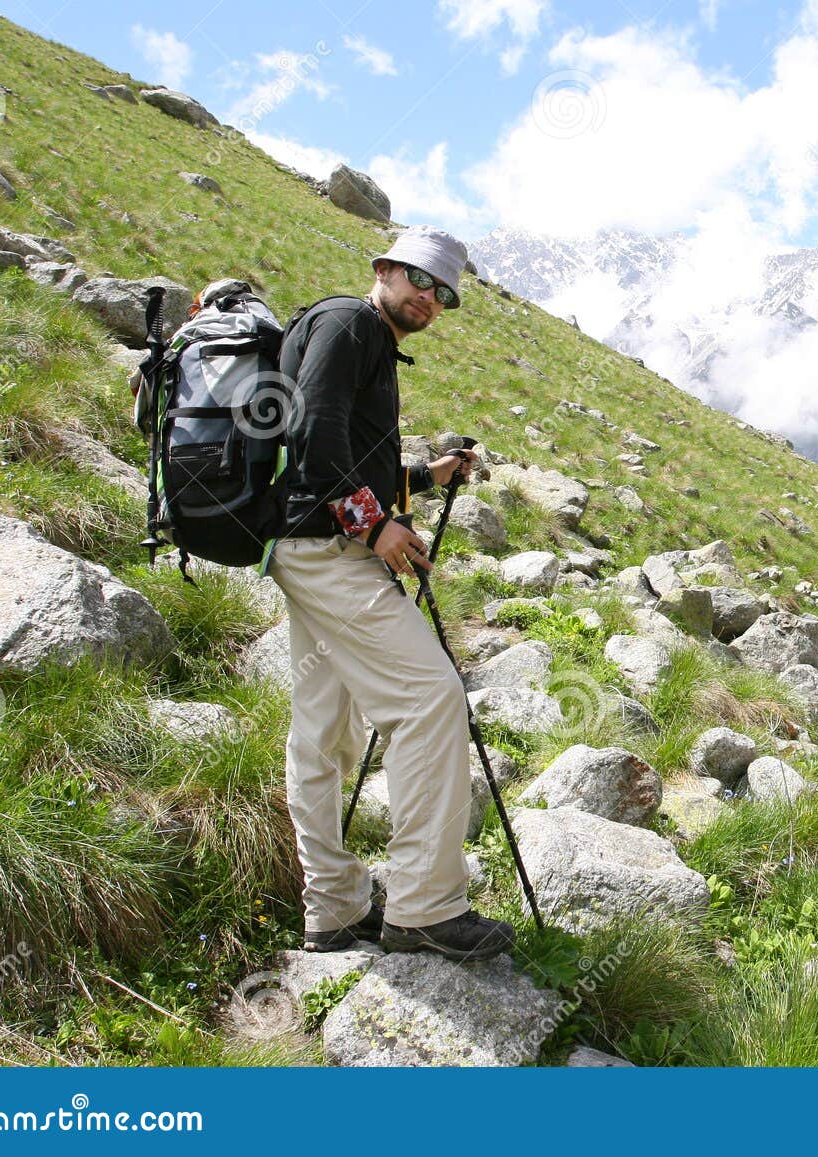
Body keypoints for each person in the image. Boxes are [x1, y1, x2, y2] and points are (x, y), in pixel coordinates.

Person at [269, 224, 514, 961]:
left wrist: (431, 476)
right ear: (384, 268)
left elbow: (346, 457)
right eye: (420, 281)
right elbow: (313, 435)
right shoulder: (350, 323)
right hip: (328, 550)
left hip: (304, 545)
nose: (431, 300)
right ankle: (424, 909)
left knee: (324, 732)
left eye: (444, 295)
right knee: (432, 697)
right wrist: (374, 528)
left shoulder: (362, 338)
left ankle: (335, 909)